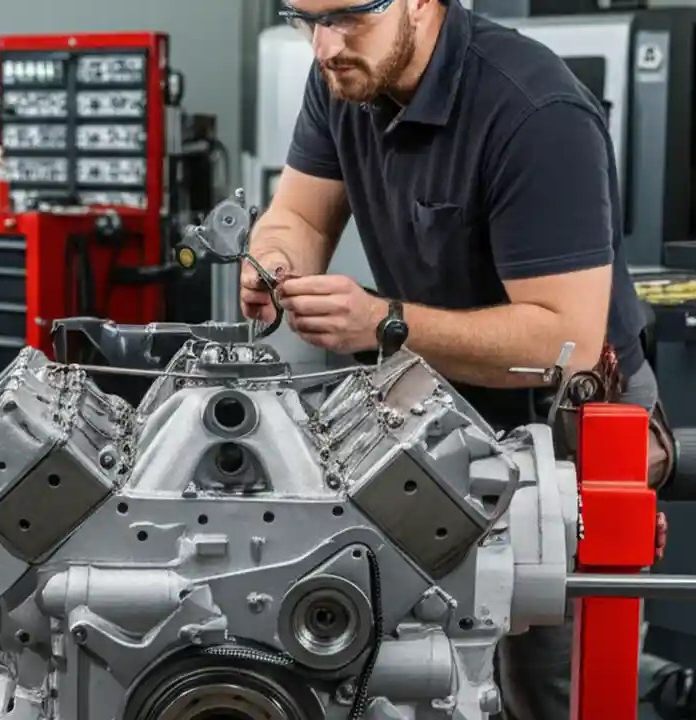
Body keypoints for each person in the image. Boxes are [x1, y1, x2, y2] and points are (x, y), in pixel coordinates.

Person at [240, 1, 660, 718]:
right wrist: (275, 260)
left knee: (549, 684)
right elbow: (302, 215)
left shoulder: (535, 111)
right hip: (438, 408)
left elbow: (564, 344)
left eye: (345, 18)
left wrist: (382, 321)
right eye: (303, 19)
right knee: (414, 667)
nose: (324, 45)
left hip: (563, 428)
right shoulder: (346, 76)